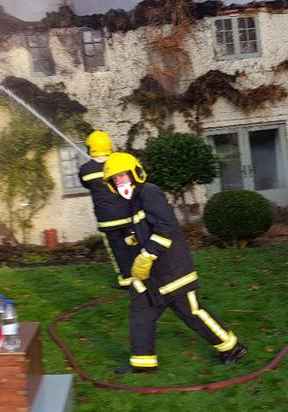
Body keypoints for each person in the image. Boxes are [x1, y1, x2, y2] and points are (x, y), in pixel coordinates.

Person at [101, 152, 247, 373]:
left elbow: (166, 226)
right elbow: (147, 227)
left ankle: (232, 348)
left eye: (122, 176)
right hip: (153, 277)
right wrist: (134, 239)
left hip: (173, 271)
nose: (119, 181)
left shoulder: (150, 192)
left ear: (135, 173)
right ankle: (143, 363)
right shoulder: (133, 202)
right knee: (140, 312)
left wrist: (147, 254)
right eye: (115, 179)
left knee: (193, 314)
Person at [79, 130, 139, 288]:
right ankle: (141, 276)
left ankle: (126, 280)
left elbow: (86, 184)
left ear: (90, 148)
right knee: (132, 244)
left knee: (117, 249)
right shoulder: (118, 163)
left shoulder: (86, 170)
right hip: (127, 215)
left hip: (107, 220)